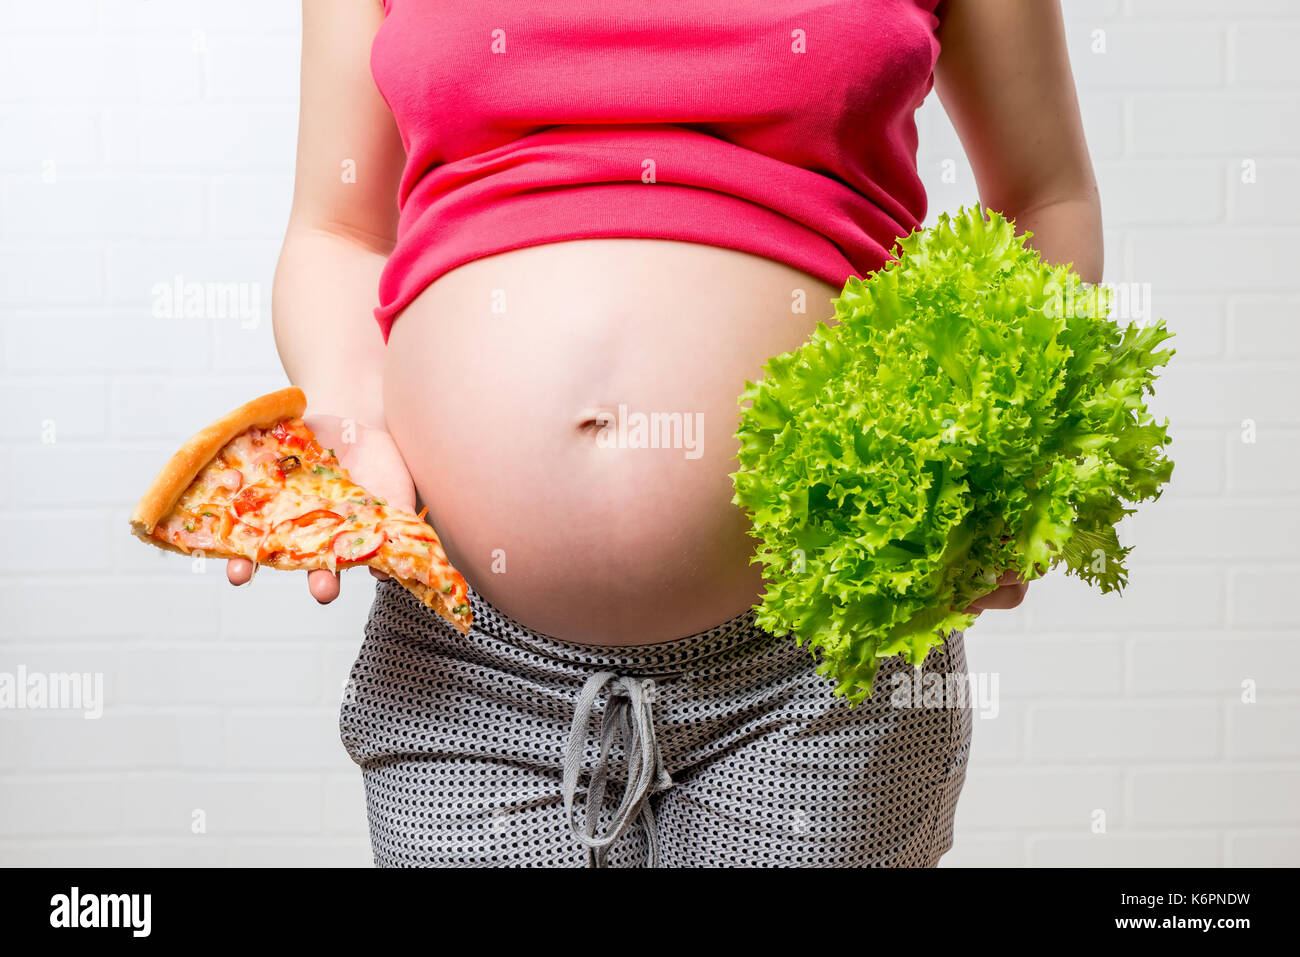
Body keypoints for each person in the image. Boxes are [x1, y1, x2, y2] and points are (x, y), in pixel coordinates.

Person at [227, 0, 1102, 867]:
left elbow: (1044, 196)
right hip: (466, 664)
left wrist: (996, 464)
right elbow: (335, 231)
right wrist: (348, 423)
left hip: (826, 668)